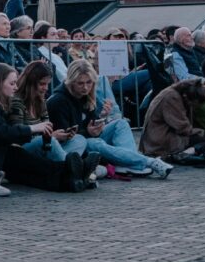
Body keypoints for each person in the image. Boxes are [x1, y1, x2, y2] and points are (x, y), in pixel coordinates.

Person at [0, 63, 95, 192]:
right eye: (12, 83)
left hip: (3, 152)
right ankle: (75, 173)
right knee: (35, 165)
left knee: (39, 167)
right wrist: (33, 129)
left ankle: (73, 176)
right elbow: (1, 131)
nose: (15, 87)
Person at [47, 59, 175, 179]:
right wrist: (89, 132)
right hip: (74, 146)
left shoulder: (85, 95)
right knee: (94, 143)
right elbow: (69, 137)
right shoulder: (59, 101)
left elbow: (89, 123)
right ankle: (147, 162)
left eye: (89, 82)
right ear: (71, 82)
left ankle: (128, 165)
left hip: (86, 137)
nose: (85, 87)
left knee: (121, 123)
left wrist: (101, 117)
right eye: (80, 83)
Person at [138, 79, 205, 163]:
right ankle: (183, 155)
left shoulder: (178, 93)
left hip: (165, 136)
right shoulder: (172, 97)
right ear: (186, 96)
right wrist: (202, 132)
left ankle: (191, 153)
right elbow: (182, 127)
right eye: (193, 104)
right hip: (160, 142)